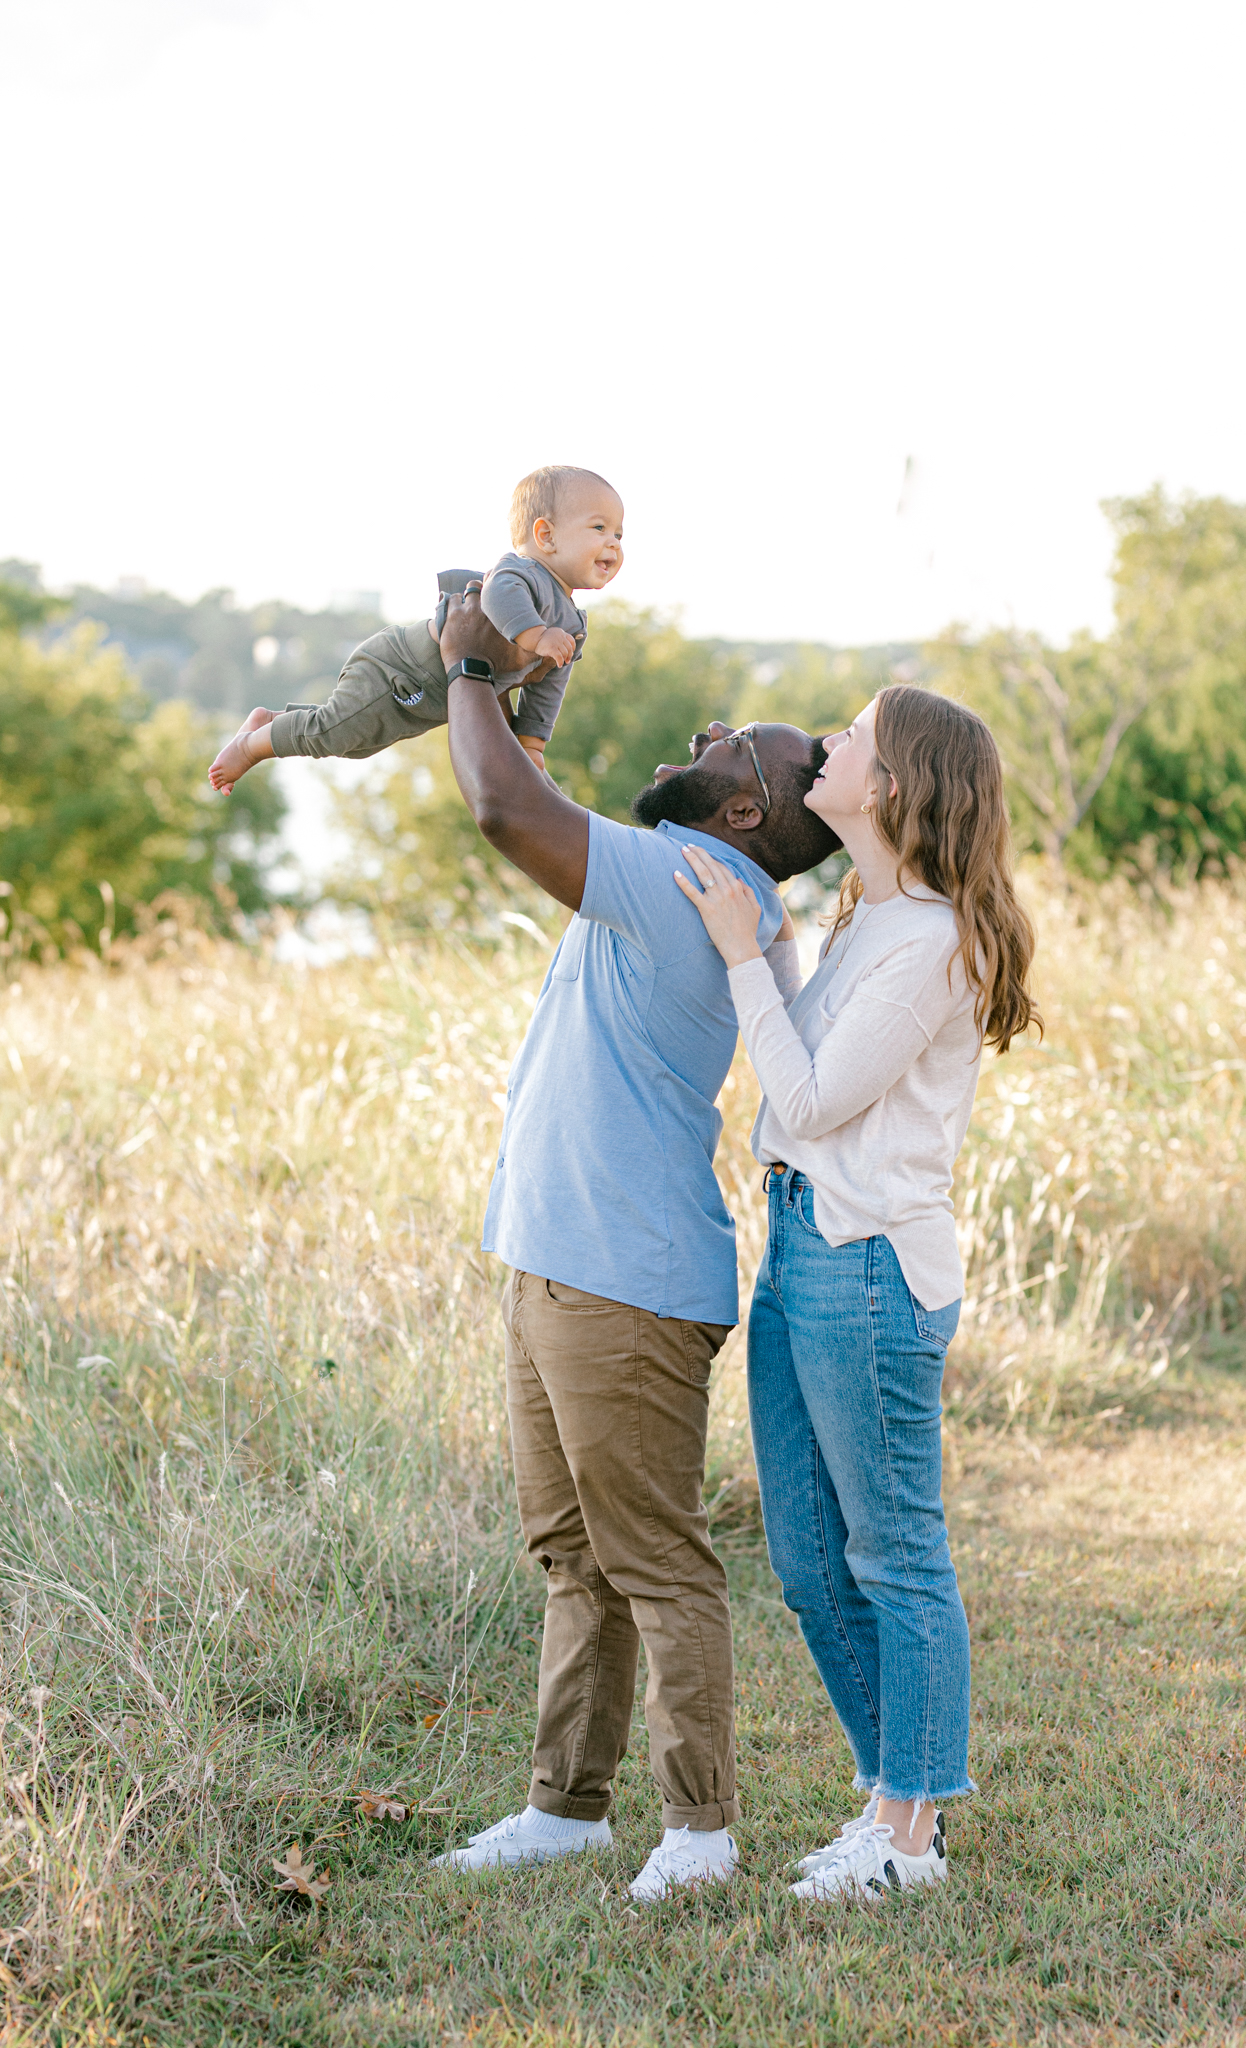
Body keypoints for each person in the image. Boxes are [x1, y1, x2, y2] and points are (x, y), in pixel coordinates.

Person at [425, 584, 840, 1900]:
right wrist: (525, 682)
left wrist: (468, 666)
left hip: (622, 1281)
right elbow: (528, 783)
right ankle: (565, 1808)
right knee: (572, 1557)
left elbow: (501, 807)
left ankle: (700, 1834)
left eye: (741, 746)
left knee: (652, 1559)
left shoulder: (691, 875)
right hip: (560, 1257)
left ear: (744, 813)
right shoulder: (690, 873)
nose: (713, 729)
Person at [673, 684, 1040, 1903]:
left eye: (851, 736)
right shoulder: (865, 920)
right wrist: (760, 938)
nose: (824, 742)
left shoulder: (931, 938)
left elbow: (812, 1100)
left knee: (893, 1551)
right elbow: (802, 1090)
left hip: (872, 1262)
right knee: (805, 1555)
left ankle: (908, 1836)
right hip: (800, 1247)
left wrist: (742, 963)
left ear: (887, 786)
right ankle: (892, 1796)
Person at [206, 465, 622, 789]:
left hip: (425, 699)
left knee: (357, 746)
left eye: (620, 534)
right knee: (333, 732)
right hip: (399, 668)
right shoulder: (519, 572)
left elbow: (548, 686)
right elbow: (498, 597)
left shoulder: (572, 624)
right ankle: (251, 747)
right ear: (545, 535)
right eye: (600, 528)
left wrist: (532, 742)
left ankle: (270, 720)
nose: (614, 543)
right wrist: (536, 635)